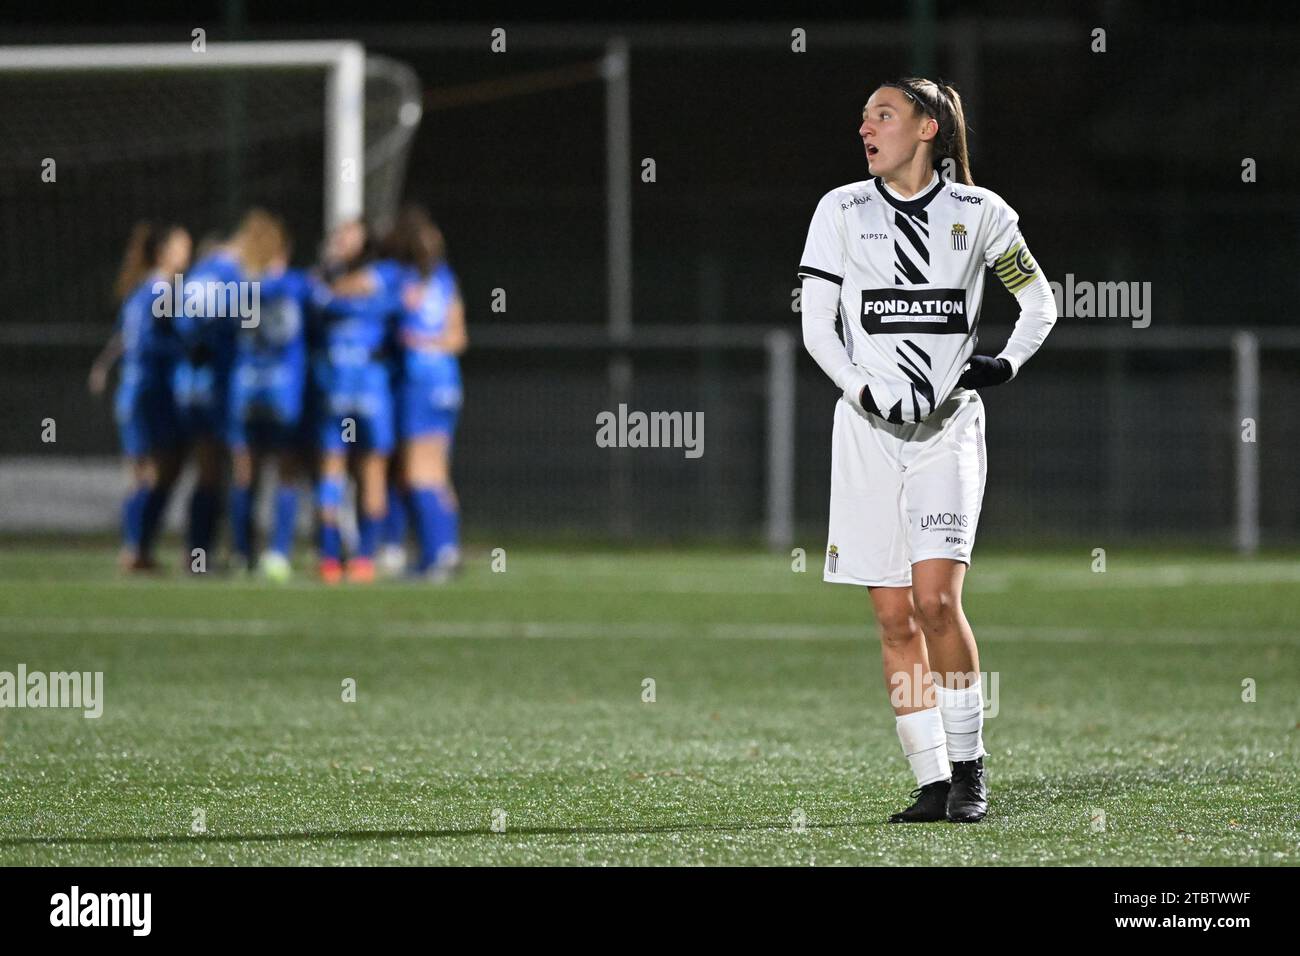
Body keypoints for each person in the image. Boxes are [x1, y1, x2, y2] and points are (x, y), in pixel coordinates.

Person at [798, 77, 1057, 823]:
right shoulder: (840, 210)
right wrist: (860, 388)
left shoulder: (980, 215)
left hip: (946, 433)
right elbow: (818, 328)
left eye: (883, 114)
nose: (866, 129)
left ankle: (971, 770)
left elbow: (1039, 299)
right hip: (867, 435)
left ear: (929, 128)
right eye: (863, 117)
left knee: (937, 600)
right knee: (893, 618)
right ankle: (932, 778)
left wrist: (1003, 362)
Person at [89, 221, 192, 570]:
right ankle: (135, 548)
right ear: (163, 253)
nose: (187, 255)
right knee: (152, 473)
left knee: (158, 470)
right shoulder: (163, 291)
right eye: (181, 247)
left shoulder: (141, 291)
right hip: (149, 392)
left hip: (136, 391)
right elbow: (147, 342)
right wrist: (188, 347)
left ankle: (139, 547)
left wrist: (102, 366)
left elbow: (124, 337)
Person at [376, 206, 467, 580]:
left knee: (417, 473)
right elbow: (458, 338)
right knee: (437, 473)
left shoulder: (402, 282)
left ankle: (435, 558)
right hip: (447, 384)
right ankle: (447, 550)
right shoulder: (446, 281)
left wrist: (416, 340)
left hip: (421, 383)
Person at [225, 213, 312, 579]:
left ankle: (242, 553)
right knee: (286, 471)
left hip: (245, 387)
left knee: (246, 473)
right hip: (283, 390)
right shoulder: (295, 284)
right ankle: (277, 553)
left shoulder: (236, 286)